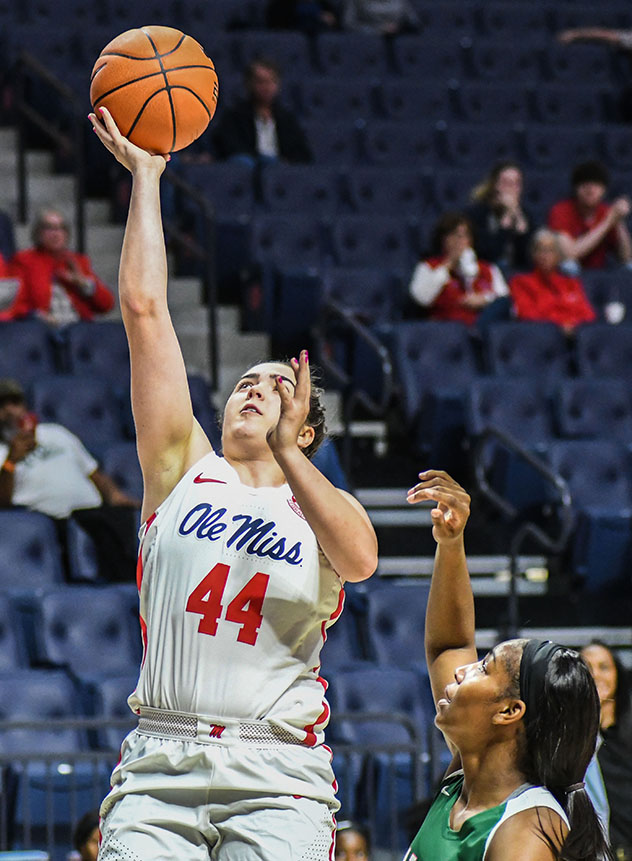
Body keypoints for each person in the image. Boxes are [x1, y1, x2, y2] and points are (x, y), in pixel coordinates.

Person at [88, 105, 377, 860]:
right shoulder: (182, 468)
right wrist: (147, 178)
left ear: (305, 427)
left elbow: (361, 559)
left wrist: (291, 459)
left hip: (278, 768)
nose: (253, 388)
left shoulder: (321, 508)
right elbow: (146, 313)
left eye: (276, 386)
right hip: (160, 762)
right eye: (244, 381)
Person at [403, 469, 613, 861]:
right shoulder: (466, 779)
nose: (464, 670)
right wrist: (451, 543)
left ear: (509, 711)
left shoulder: (528, 831)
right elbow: (450, 643)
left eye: (484, 668)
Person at [0, 378, 140, 581]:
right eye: (2, 406)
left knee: (121, 522)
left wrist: (116, 496)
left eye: (14, 403)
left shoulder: (56, 433)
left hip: (98, 513)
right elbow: (2, 503)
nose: (10, 411)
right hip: (56, 524)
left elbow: (93, 473)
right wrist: (11, 461)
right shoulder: (3, 452)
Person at [581, 641, 632, 861]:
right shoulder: (570, 741)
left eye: (604, 667)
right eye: (587, 668)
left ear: (618, 673)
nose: (596, 675)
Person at [9, 208, 115, 325]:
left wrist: (83, 283)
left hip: (79, 328)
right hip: (43, 328)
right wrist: (37, 316)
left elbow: (107, 305)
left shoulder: (78, 261)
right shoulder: (24, 260)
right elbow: (16, 304)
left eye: (61, 228)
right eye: (49, 228)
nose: (56, 233)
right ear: (38, 233)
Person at [408, 212, 510, 326]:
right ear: (443, 239)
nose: (460, 241)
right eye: (454, 235)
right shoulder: (429, 266)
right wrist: (448, 265)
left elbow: (505, 301)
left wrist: (485, 299)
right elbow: (422, 298)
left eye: (465, 235)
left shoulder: (488, 269)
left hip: (484, 329)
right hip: (447, 329)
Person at [212, 58, 313, 164]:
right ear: (249, 84)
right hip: (250, 167)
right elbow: (229, 146)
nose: (266, 87)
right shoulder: (235, 115)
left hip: (278, 170)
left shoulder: (286, 118)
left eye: (271, 81)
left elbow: (302, 152)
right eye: (261, 82)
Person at [548, 161, 632, 271]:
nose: (590, 190)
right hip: (566, 275)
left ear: (604, 191)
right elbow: (570, 254)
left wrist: (619, 220)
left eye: (596, 185)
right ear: (575, 189)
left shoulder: (607, 211)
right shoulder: (560, 210)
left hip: (598, 274)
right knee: (570, 266)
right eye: (584, 185)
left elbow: (627, 257)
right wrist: (608, 221)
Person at [509, 228, 596, 335]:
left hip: (574, 338)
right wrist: (561, 325)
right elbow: (527, 315)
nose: (544, 255)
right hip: (540, 338)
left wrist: (569, 325)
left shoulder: (571, 283)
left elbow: (588, 315)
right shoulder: (521, 282)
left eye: (550, 250)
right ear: (533, 254)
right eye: (540, 250)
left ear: (558, 256)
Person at [466, 160, 535, 273]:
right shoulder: (477, 213)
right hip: (487, 271)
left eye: (516, 184)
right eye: (506, 183)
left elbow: (528, 259)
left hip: (517, 274)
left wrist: (520, 224)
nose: (511, 189)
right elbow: (488, 254)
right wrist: (505, 222)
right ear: (495, 185)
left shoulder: (525, 215)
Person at [342, 0, 420, 35]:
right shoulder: (356, 1)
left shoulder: (401, 2)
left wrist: (398, 28)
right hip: (366, 45)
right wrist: (378, 29)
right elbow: (349, 24)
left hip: (399, 45)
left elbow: (414, 23)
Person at [266, 0, 339, 34]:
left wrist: (331, 21)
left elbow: (336, 26)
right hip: (290, 42)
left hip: (320, 42)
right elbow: (274, 26)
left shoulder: (325, 6)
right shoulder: (279, 6)